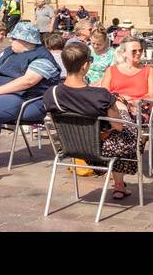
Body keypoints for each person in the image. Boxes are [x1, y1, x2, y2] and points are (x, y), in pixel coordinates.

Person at [44, 41, 143, 201]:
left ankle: (119, 185)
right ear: (85, 66)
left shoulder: (51, 93)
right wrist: (122, 109)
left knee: (122, 135)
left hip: (70, 146)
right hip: (99, 149)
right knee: (133, 136)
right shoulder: (101, 95)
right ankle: (119, 183)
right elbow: (118, 127)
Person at [0, 21, 60, 173]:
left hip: (29, 101)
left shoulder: (43, 58)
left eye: (13, 38)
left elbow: (27, 82)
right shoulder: (9, 52)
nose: (10, 40)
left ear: (25, 41)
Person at [98, 36, 153, 124]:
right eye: (134, 51)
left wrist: (137, 101)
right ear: (124, 53)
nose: (138, 53)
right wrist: (122, 99)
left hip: (138, 108)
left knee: (114, 120)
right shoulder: (111, 70)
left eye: (140, 50)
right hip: (114, 107)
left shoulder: (148, 71)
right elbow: (104, 93)